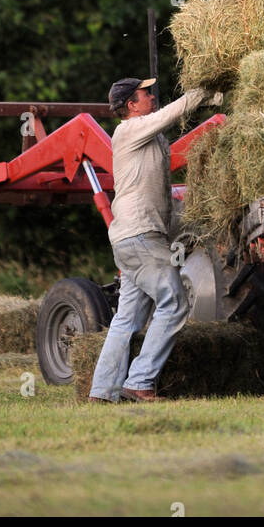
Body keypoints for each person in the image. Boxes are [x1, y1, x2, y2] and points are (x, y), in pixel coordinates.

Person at [88, 75, 220, 403]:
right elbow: (170, 115)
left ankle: (102, 391)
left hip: (135, 238)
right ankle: (140, 381)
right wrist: (203, 90)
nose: (152, 96)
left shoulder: (151, 137)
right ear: (131, 105)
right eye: (145, 94)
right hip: (141, 237)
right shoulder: (130, 130)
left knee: (127, 318)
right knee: (174, 302)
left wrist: (213, 101)